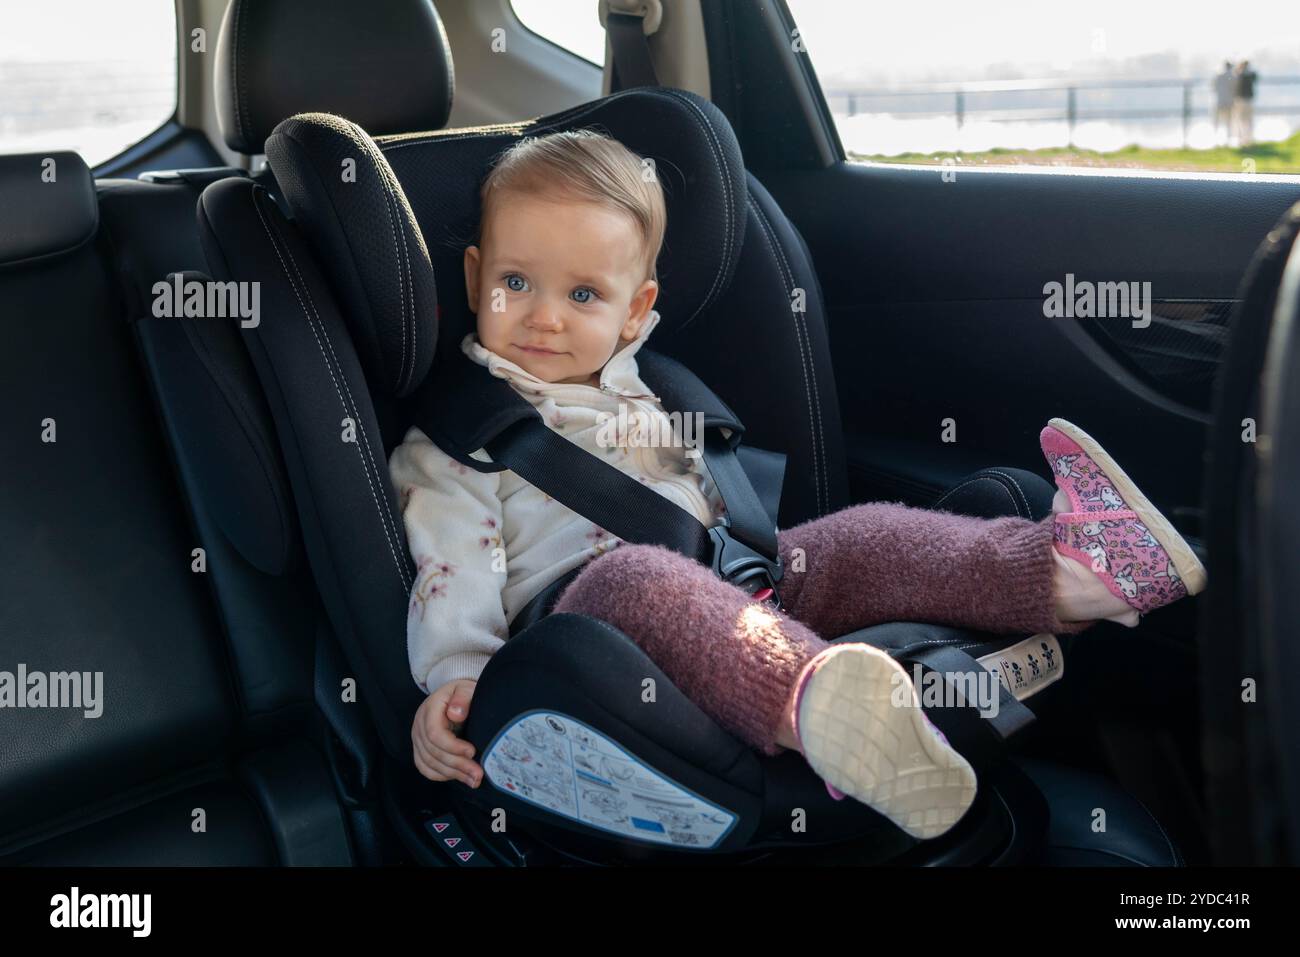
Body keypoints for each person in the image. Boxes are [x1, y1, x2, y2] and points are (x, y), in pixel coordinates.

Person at [389, 129, 1208, 840]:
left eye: (582, 295)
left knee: (854, 538)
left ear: (635, 312)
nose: (545, 318)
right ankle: (836, 716)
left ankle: (1076, 570)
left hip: (731, 593)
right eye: (516, 282)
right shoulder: (466, 440)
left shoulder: (646, 388)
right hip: (587, 635)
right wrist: (460, 675)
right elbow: (453, 564)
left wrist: (759, 560)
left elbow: (711, 511)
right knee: (634, 576)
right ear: (473, 279)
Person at [1233, 60, 1258, 147]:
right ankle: (1249, 138)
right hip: (1249, 100)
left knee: (1240, 120)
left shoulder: (1239, 74)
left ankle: (1241, 139)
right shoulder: (1251, 74)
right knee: (1249, 121)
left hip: (1240, 100)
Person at [1214, 61, 1235, 145]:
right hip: (1229, 102)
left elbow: (1214, 87)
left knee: (1217, 122)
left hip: (1219, 101)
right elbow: (1235, 89)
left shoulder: (1218, 76)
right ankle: (1228, 140)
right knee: (1228, 122)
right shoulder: (1233, 76)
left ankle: (1216, 139)